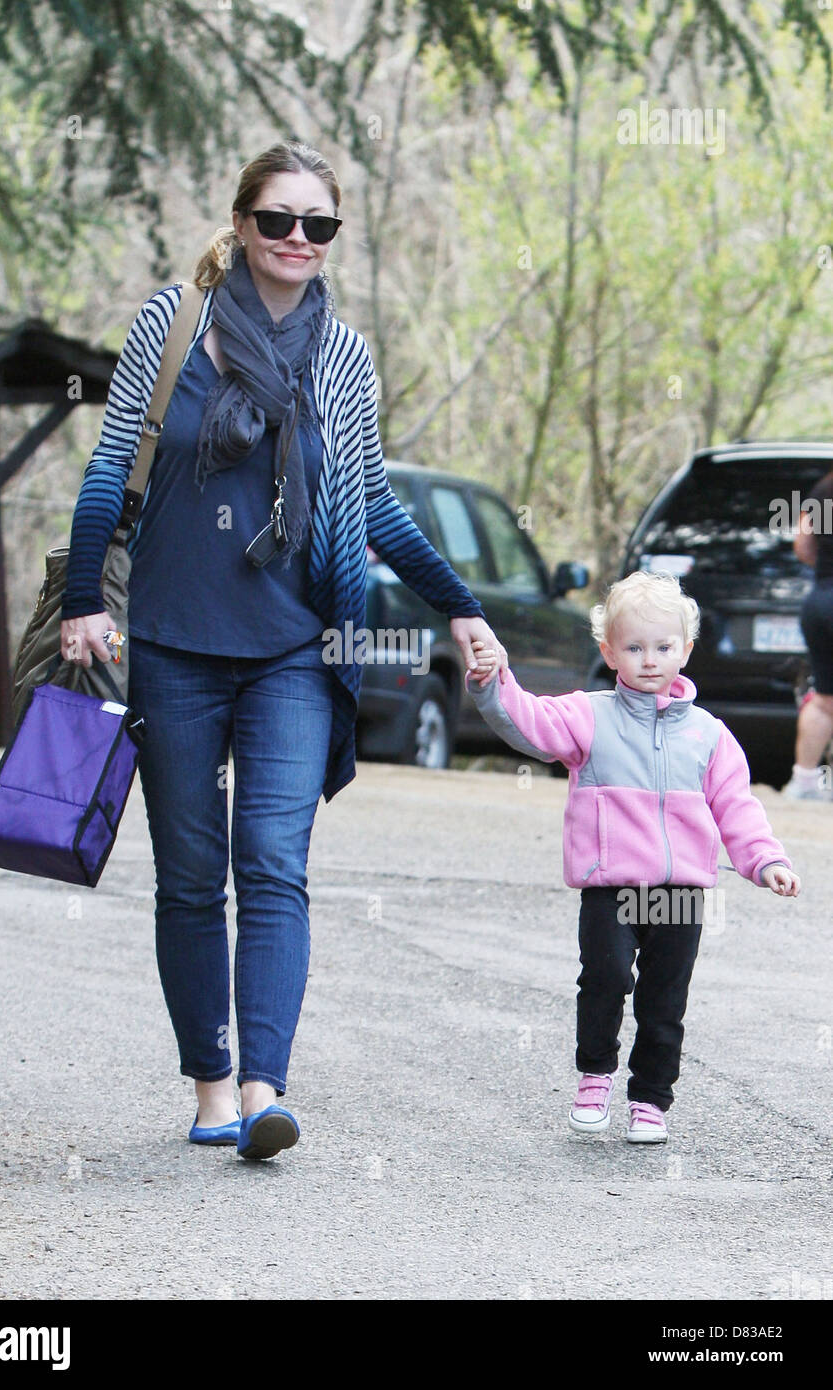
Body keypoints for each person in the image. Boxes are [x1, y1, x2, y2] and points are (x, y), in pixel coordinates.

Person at [59, 141, 506, 1161]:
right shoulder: (172, 325)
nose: (296, 240)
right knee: (187, 871)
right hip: (170, 642)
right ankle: (210, 1085)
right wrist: (86, 595)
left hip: (296, 651)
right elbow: (111, 463)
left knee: (272, 865)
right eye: (278, 220)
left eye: (318, 224)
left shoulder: (342, 357)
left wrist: (461, 605)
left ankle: (264, 1088)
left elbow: (372, 504)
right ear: (242, 222)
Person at [467, 571, 800, 1143]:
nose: (650, 659)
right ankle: (595, 1076)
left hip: (680, 893)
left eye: (664, 647)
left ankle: (650, 1102)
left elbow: (737, 808)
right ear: (609, 651)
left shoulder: (709, 735)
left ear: (686, 650)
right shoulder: (588, 716)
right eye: (634, 647)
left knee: (664, 999)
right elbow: (528, 722)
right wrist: (493, 678)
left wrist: (765, 859)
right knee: (605, 977)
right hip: (611, 888)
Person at [783, 469, 833, 801]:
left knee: (825, 698)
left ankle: (803, 780)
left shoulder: (824, 488)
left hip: (819, 600)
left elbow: (802, 544)